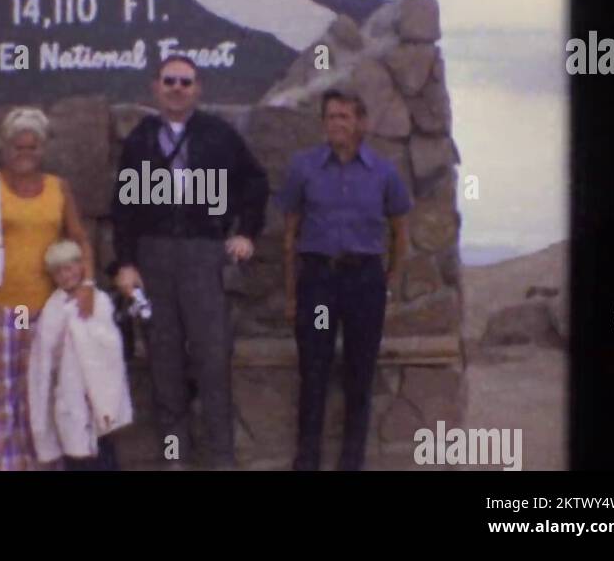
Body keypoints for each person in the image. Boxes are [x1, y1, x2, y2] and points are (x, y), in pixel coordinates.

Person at [111, 55, 270, 469]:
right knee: (164, 366)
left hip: (204, 255)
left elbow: (256, 184)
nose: (177, 88)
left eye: (186, 81)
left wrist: (246, 233)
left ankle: (221, 461)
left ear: (198, 88)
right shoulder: (141, 139)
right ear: (156, 87)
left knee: (213, 362)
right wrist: (126, 263)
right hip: (154, 255)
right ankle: (174, 461)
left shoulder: (219, 135)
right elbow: (124, 209)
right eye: (170, 81)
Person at [0, 107, 96, 471]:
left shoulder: (58, 188)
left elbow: (79, 238)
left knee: (42, 391)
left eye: (32, 147)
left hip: (47, 306)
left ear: (42, 148)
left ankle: (42, 464)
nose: (24, 153)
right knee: (1, 393)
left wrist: (87, 283)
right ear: (6, 146)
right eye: (18, 146)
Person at [276, 89, 412, 471]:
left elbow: (401, 233)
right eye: (330, 117)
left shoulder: (384, 173)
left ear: (361, 124)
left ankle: (351, 461)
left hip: (364, 284)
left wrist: (389, 283)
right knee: (314, 369)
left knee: (359, 372)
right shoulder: (304, 168)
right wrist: (291, 295)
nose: (336, 123)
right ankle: (308, 460)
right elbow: (289, 236)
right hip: (318, 282)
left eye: (344, 117)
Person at [28, 239, 133, 471]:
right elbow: (45, 352)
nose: (65, 276)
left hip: (97, 392)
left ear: (81, 266)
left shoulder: (99, 301)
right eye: (58, 272)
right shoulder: (53, 307)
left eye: (69, 268)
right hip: (68, 391)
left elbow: (108, 344)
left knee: (103, 453)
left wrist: (76, 325)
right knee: (75, 451)